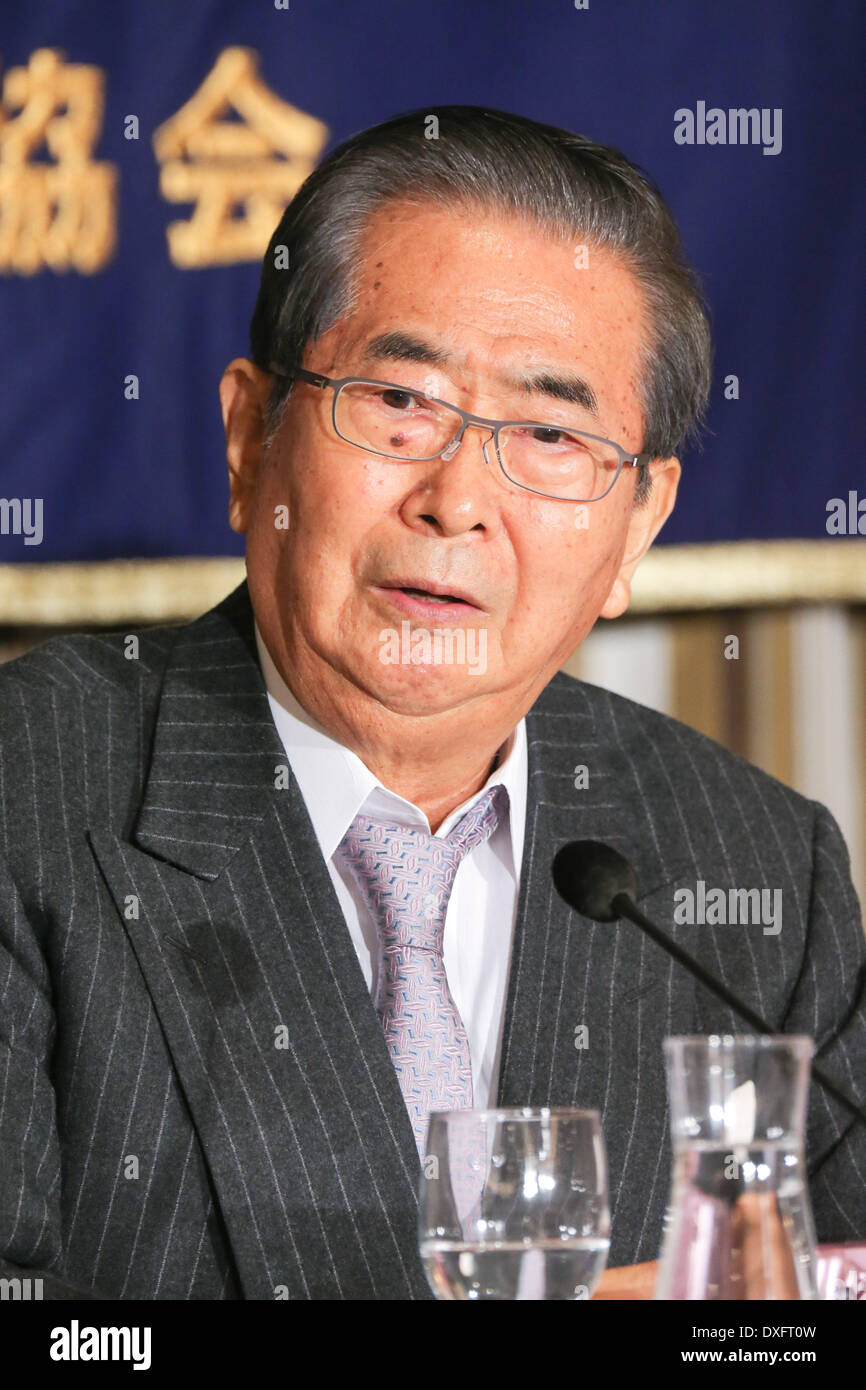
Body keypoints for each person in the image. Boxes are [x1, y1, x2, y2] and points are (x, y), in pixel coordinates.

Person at [1, 107, 864, 1301]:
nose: (458, 498)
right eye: (400, 400)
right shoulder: (29, 792)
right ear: (251, 437)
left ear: (638, 527)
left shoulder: (761, 877)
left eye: (551, 433)